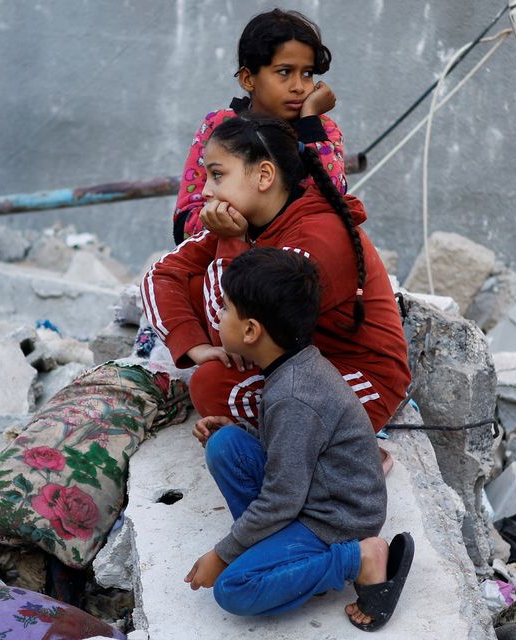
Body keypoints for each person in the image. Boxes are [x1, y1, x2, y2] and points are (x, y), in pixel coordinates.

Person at [142, 112, 410, 445]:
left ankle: (344, 456)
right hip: (291, 358)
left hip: (357, 379)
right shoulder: (250, 218)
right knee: (193, 287)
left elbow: (236, 331)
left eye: (217, 175)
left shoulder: (315, 238)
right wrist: (194, 347)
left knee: (213, 386)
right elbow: (162, 274)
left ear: (264, 175)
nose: (206, 191)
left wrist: (230, 243)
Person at [183, 247, 414, 629]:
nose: (218, 316)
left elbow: (282, 498)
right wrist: (240, 431)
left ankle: (360, 558)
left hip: (336, 520)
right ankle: (280, 555)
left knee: (234, 589)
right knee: (226, 446)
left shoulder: (294, 395)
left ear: (252, 330)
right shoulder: (291, 366)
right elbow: (293, 446)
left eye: (224, 308)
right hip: (312, 494)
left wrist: (223, 555)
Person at [172, 8, 347, 244]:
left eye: (307, 73)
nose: (299, 86)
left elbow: (334, 198)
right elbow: (184, 222)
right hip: (221, 255)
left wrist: (309, 122)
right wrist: (223, 222)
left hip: (294, 259)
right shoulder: (220, 125)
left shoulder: (319, 129)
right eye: (284, 72)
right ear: (248, 79)